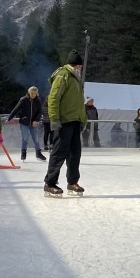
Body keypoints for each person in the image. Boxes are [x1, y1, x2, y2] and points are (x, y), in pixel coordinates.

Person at [44, 50, 87, 197]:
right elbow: (53, 98)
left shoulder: (76, 78)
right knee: (59, 152)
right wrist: (54, 119)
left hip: (75, 120)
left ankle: (72, 182)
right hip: (64, 121)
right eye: (80, 66)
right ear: (76, 65)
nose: (81, 68)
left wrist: (83, 119)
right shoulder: (63, 75)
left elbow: (79, 102)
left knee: (75, 153)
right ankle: (50, 183)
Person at [7, 86, 46, 161]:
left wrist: (36, 120)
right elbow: (16, 109)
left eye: (34, 93)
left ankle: (38, 153)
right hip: (24, 122)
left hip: (33, 123)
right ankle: (23, 152)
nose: (33, 95)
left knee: (36, 139)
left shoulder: (38, 100)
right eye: (31, 93)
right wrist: (9, 118)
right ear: (29, 92)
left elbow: (40, 112)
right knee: (25, 138)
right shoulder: (23, 100)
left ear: (36, 93)